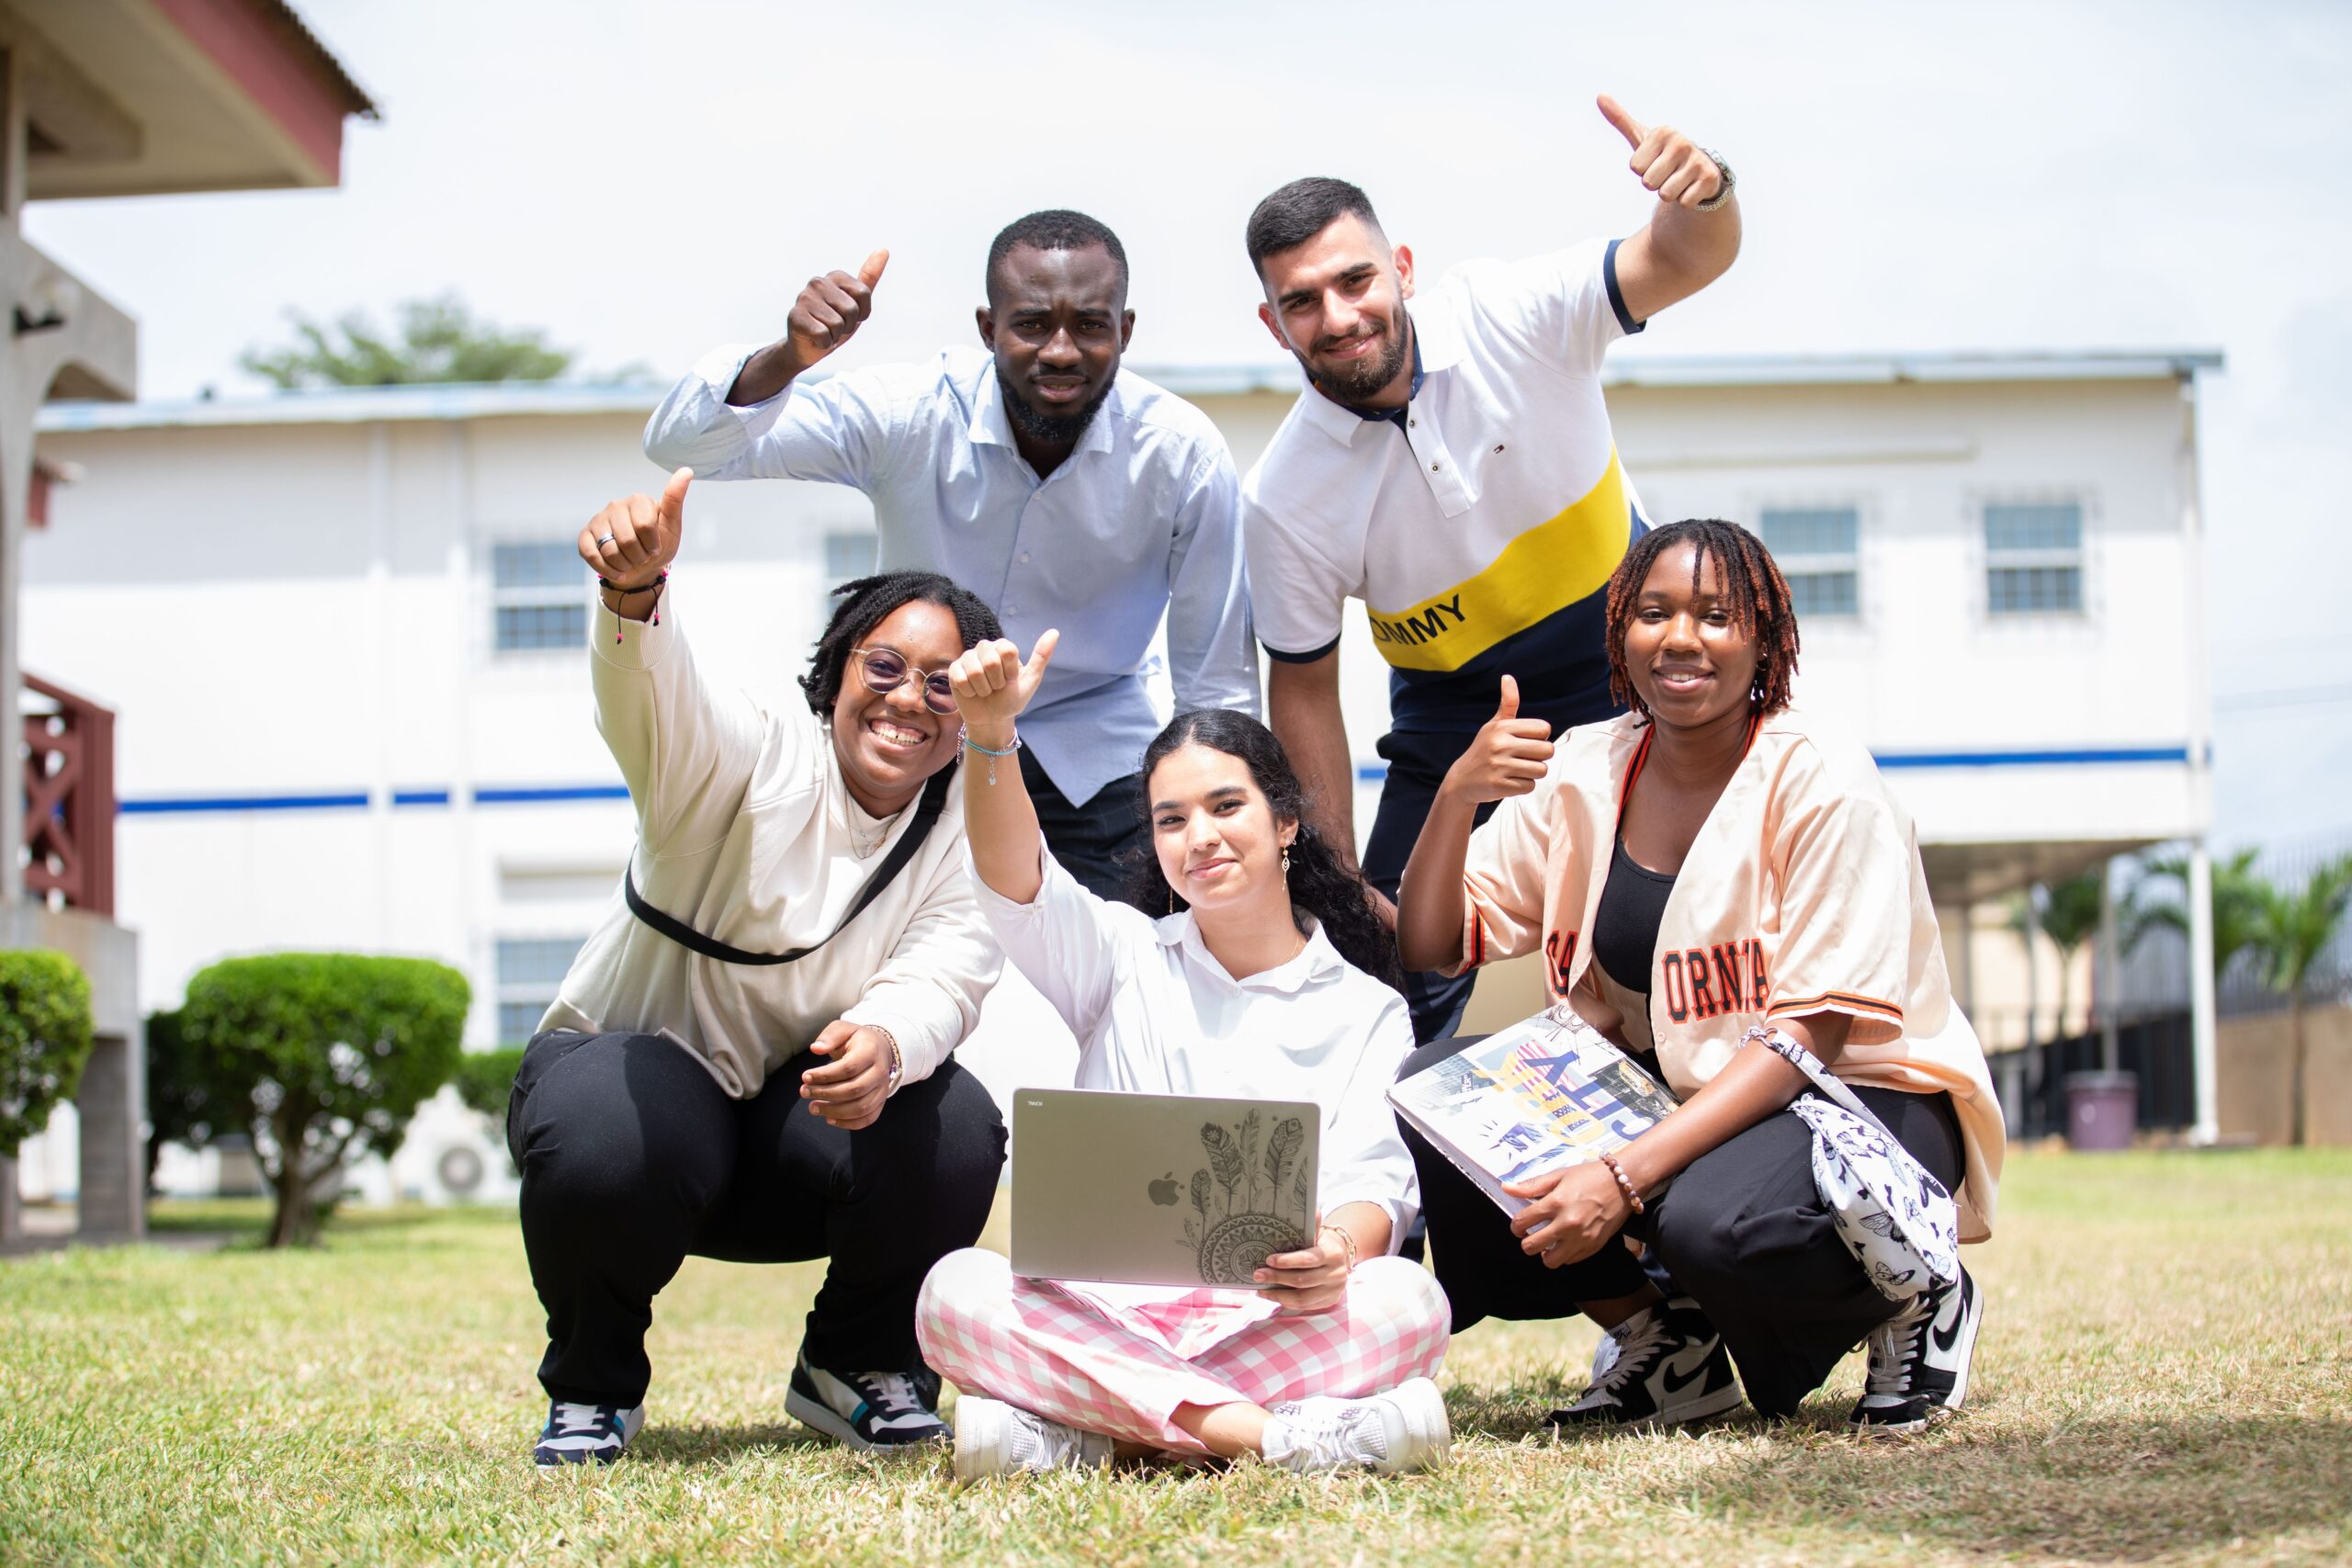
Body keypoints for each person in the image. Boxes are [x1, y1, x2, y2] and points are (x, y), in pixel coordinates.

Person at [1393, 520, 2006, 1433]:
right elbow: (1430, 943)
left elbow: (1811, 1038)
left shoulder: (1823, 780)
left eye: (1717, 617)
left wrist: (1625, 1178)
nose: (1681, 638)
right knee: (1437, 1090)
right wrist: (1456, 795)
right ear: (1620, 631)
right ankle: (1671, 1346)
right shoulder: (1584, 769)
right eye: (1654, 613)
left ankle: (1921, 1293)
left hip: (1860, 1102)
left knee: (1712, 1228)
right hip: (1692, 1101)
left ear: (1764, 639)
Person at [508, 468, 1009, 1465]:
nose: (910, 698)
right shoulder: (751, 749)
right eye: (885, 666)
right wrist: (636, 598)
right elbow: (661, 708)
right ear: (835, 672)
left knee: (954, 1120)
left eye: (942, 683)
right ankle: (594, 1387)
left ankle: (855, 1366)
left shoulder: (969, 819)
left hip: (791, 1151)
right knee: (612, 1114)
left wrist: (888, 1042)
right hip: (639, 1131)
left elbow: (949, 968)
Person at [1241, 96, 1742, 1042]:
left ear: (1402, 269)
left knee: (1699, 923)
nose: (1338, 318)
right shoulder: (1281, 495)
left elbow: (1686, 254)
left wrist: (1701, 191)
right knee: (1382, 975)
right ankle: (1387, 1189)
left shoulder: (1515, 313)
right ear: (1272, 325)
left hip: (1634, 671)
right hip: (1454, 720)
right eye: (1301, 302)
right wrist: (1340, 880)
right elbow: (1302, 691)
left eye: (1355, 281)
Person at [913, 630, 1450, 1480]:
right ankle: (1276, 1438)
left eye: (1225, 806)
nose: (1199, 836)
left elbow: (1376, 1187)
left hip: (1266, 1317)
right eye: (1172, 819)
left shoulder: (1367, 1009)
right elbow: (1015, 875)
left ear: (1286, 822)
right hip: (1107, 1311)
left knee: (1410, 1300)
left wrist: (1336, 1253)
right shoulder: (1120, 953)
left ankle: (1084, 1433)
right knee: (954, 1290)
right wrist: (990, 736)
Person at [643, 209, 1258, 901]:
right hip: (919, 745)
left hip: (1098, 764)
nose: (1060, 350)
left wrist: (1225, 837)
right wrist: (788, 358)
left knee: (1128, 977)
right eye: (1030, 324)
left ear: (1125, 330)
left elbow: (1218, 689)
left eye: (1089, 324)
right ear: (986, 327)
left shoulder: (1182, 455)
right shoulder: (910, 413)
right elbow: (682, 445)